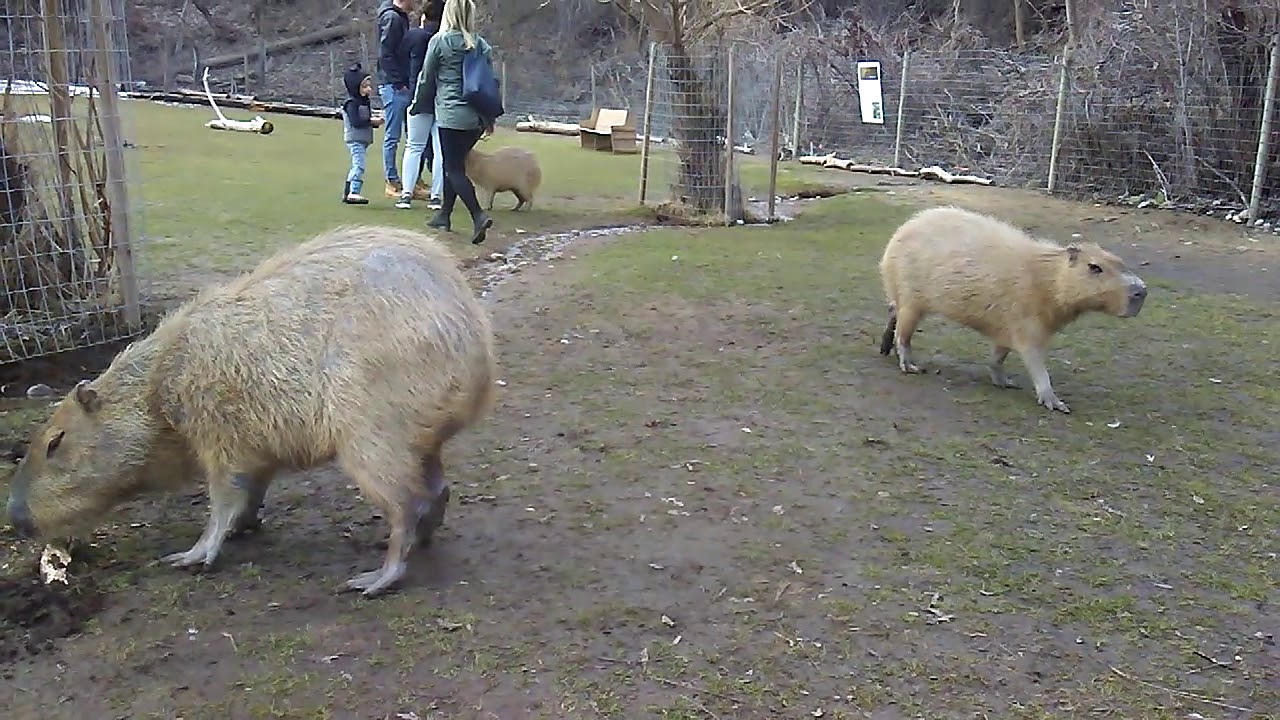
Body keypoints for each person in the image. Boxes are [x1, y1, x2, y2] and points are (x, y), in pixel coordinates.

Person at [409, 0, 495, 245]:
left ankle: (478, 215)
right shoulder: (480, 44)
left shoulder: (440, 42)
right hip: (476, 118)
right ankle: (444, 216)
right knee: (453, 164)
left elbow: (426, 78)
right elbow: (490, 82)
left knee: (453, 169)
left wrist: (417, 105)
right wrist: (489, 118)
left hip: (451, 115)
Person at [396, 3, 445, 211]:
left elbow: (401, 60)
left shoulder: (414, 36)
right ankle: (436, 196)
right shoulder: (447, 39)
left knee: (414, 146)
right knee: (440, 149)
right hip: (442, 98)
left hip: (418, 95)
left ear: (424, 16)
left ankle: (406, 193)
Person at [375, 0, 415, 200]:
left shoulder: (398, 17)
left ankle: (411, 180)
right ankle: (392, 181)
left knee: (411, 135)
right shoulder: (392, 18)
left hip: (398, 83)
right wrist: (399, 82)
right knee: (393, 135)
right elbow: (386, 54)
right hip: (394, 85)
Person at [340, 63, 384, 205]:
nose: (369, 89)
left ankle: (348, 193)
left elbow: (364, 119)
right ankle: (353, 192)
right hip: (355, 139)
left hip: (362, 139)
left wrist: (374, 122)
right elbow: (356, 122)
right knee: (359, 166)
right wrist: (371, 121)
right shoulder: (351, 103)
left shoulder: (364, 102)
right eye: (365, 86)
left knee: (357, 165)